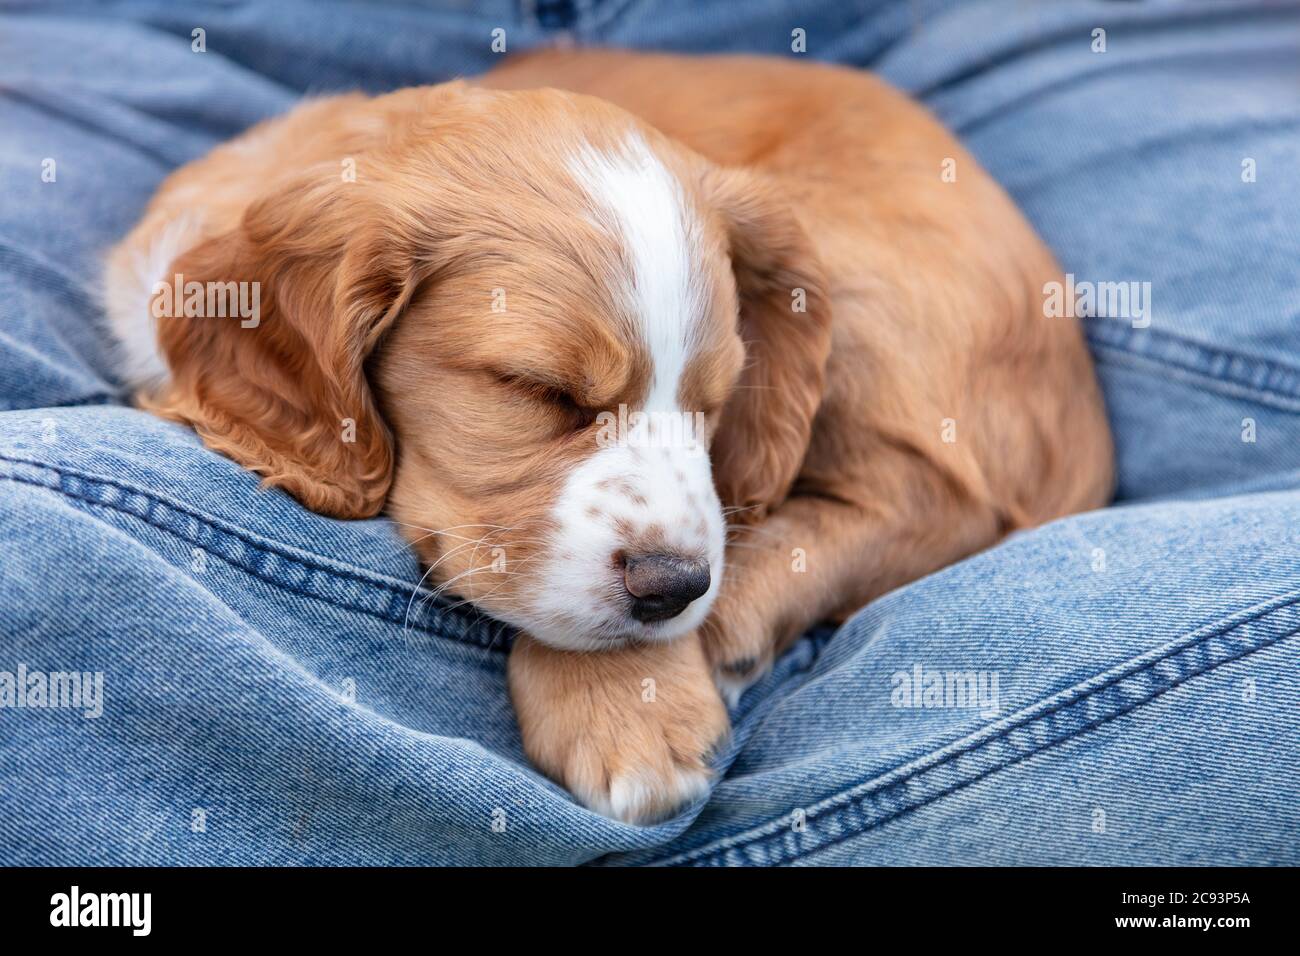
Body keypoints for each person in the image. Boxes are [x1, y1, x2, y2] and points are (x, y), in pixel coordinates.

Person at [1, 0, 1296, 865]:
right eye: (553, 400)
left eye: (707, 401)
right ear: (327, 341)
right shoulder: (277, 288)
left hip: (927, 113)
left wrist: (682, 623)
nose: (680, 536)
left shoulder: (745, 244)